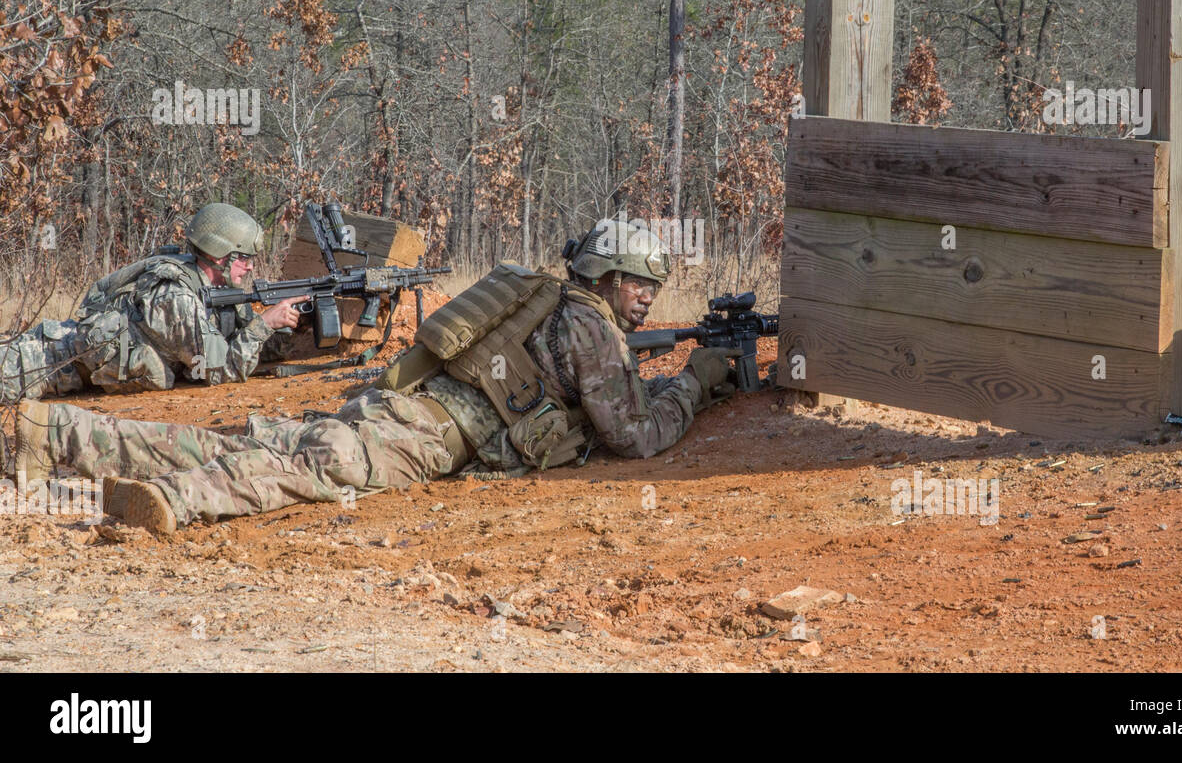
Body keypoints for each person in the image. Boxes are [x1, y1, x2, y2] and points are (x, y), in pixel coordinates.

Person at [7, 219, 737, 534]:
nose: (646, 298)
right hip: (427, 434)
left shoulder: (553, 301)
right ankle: (171, 500)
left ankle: (60, 432)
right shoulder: (590, 323)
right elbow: (634, 437)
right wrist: (696, 384)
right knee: (303, 474)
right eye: (640, 284)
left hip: (405, 407)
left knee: (253, 448)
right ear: (606, 278)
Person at [0, 203, 305, 405]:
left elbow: (249, 348)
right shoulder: (176, 298)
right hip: (34, 364)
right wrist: (264, 324)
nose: (251, 267)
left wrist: (293, 321)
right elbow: (220, 370)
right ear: (219, 254)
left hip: (57, 366)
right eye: (245, 259)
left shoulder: (211, 286)